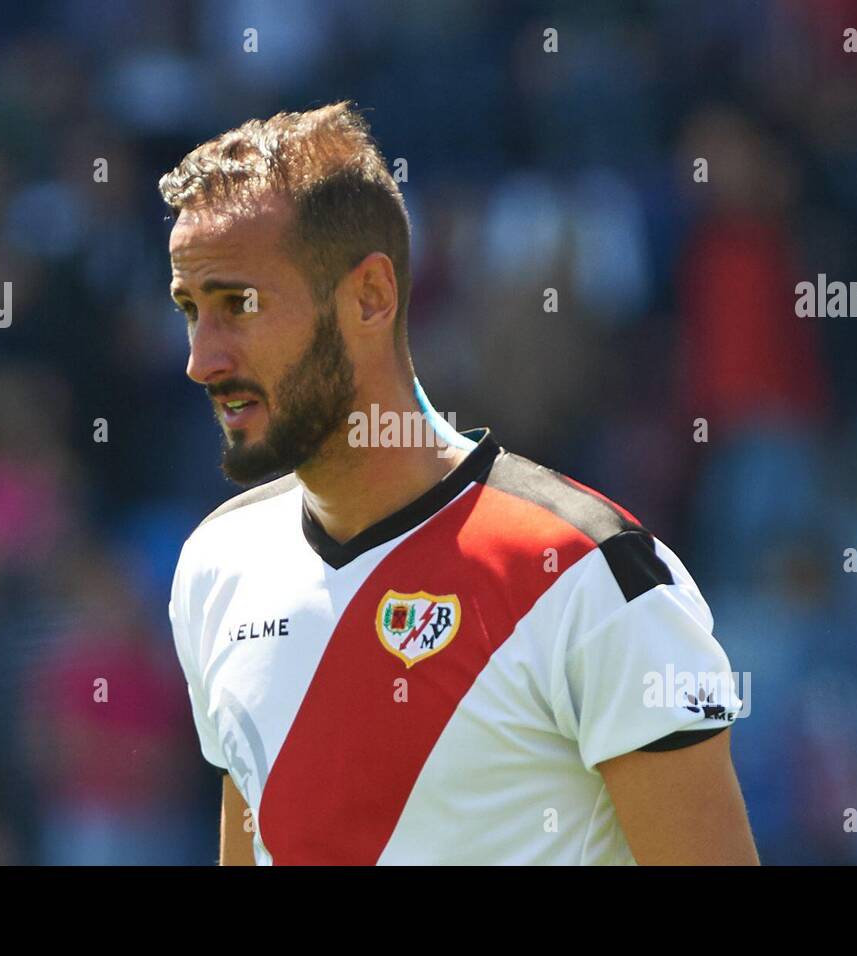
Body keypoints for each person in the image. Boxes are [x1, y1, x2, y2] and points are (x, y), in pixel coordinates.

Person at [161, 101, 758, 865]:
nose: (201, 360)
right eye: (190, 310)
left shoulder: (594, 573)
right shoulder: (217, 566)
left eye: (238, 305)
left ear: (370, 297)